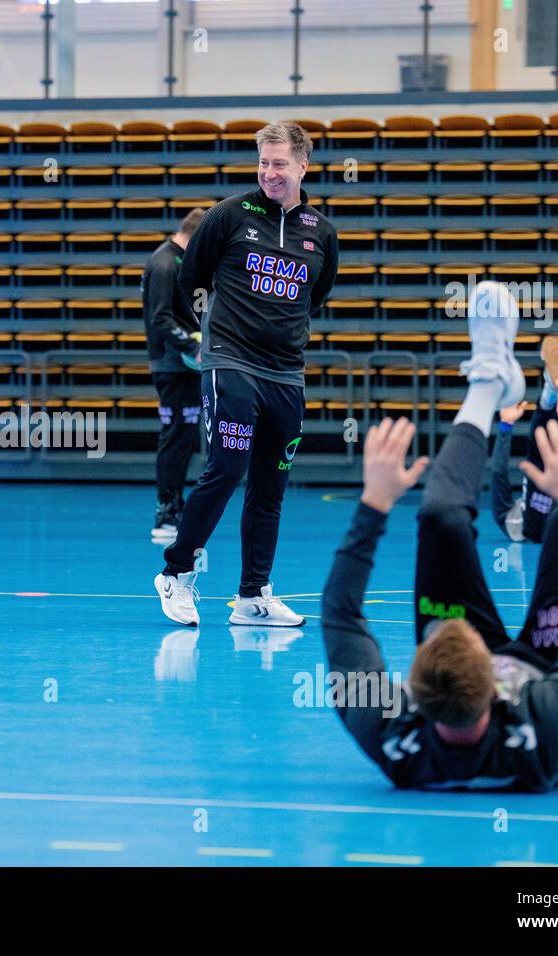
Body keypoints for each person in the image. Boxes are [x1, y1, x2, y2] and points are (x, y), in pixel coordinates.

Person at [319, 288, 558, 791]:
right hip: (552, 674)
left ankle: (489, 387)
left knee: (441, 516)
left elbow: (339, 615)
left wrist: (374, 504)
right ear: (495, 683)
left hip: (482, 696)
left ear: (412, 694)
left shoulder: (389, 729)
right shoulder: (554, 718)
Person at [154, 121, 339, 626]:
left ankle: (253, 596)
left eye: (280, 163)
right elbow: (190, 278)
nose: (270, 172)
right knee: (227, 467)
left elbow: (313, 296)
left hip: (286, 375)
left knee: (270, 486)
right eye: (263, 163)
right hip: (231, 363)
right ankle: (175, 573)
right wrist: (215, 339)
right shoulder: (230, 215)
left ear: (303, 165)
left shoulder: (321, 232)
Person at [490, 335, 558, 544]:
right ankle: (549, 395)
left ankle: (552, 397)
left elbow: (498, 474)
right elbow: (498, 474)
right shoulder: (512, 523)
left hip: (556, 517)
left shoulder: (515, 526)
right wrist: (505, 427)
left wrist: (505, 426)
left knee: (556, 449)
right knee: (541, 443)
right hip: (556, 504)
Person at [143, 207, 207, 542]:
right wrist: (192, 346)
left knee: (184, 437)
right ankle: (165, 512)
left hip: (183, 365)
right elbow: (160, 319)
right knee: (174, 436)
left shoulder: (178, 260)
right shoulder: (165, 263)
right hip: (172, 364)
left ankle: (175, 507)